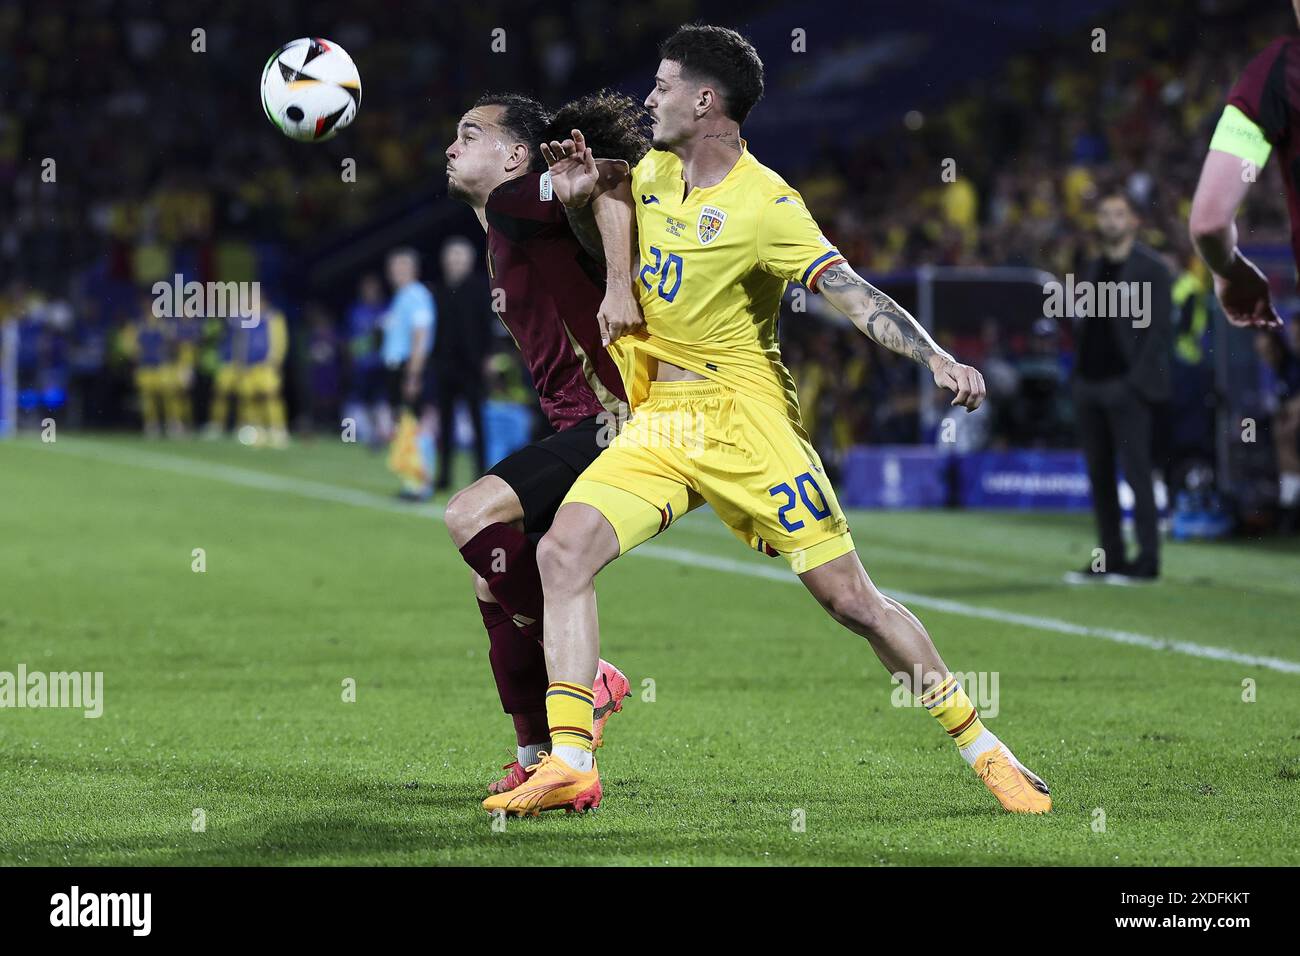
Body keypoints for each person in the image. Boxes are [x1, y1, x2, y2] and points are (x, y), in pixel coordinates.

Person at [486, 24, 1049, 817]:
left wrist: (936, 360)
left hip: (746, 424)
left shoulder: (767, 204)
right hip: (662, 421)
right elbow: (608, 195)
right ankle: (571, 760)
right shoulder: (649, 175)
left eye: (663, 85)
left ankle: (986, 751)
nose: (648, 98)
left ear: (705, 100)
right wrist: (586, 214)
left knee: (852, 601)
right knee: (563, 549)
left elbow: (854, 294)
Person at [442, 90, 648, 795]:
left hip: (614, 418)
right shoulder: (507, 226)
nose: (452, 146)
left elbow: (599, 182)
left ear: (515, 156)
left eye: (470, 135)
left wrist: (615, 273)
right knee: (487, 577)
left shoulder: (515, 202)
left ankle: (591, 678)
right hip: (579, 425)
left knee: (470, 516)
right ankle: (537, 758)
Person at [1066, 192, 1173, 583]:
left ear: (1133, 221)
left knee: (1137, 474)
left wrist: (1134, 383)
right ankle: (1109, 558)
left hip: (1127, 387)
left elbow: (1160, 331)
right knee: (1100, 476)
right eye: (1104, 214)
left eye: (1118, 214)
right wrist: (1078, 378)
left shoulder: (1153, 268)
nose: (1110, 221)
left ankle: (1147, 562)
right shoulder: (1093, 266)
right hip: (1089, 385)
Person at [432, 236, 491, 491]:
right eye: (451, 257)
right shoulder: (436, 290)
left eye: (460, 257)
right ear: (444, 261)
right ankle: (443, 475)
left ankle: (481, 474)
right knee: (444, 425)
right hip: (444, 366)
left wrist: (488, 357)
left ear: (470, 261)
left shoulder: (481, 288)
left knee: (478, 421)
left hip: (472, 366)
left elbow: (490, 327)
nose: (455, 262)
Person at [381, 248, 437, 499]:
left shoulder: (415, 295)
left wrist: (413, 374)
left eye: (401, 267)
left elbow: (421, 334)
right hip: (397, 367)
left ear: (413, 269)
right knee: (406, 424)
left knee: (417, 424)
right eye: (393, 267)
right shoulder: (402, 296)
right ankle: (411, 481)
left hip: (408, 367)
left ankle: (421, 484)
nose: (396, 272)